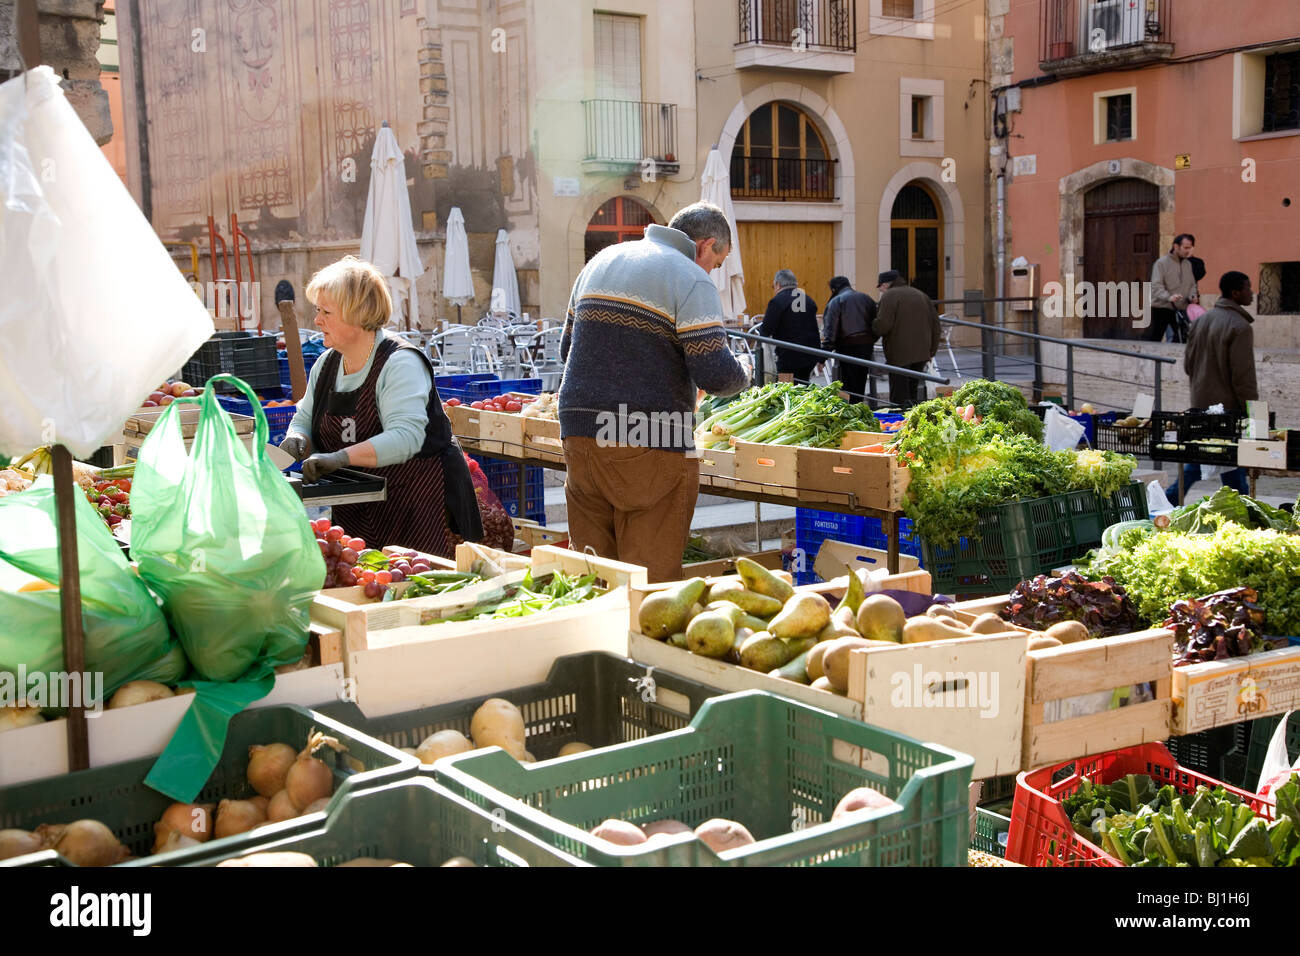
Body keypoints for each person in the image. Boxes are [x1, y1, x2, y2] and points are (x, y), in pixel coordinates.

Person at [558, 201, 749, 583]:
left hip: (578, 431)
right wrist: (746, 369)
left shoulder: (601, 260)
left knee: (595, 575)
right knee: (650, 580)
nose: (714, 269)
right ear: (706, 245)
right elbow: (714, 373)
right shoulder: (690, 277)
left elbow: (568, 351)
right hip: (647, 436)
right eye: (719, 260)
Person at [280, 256, 481, 558]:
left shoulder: (400, 363)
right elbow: (304, 417)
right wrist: (297, 438)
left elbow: (406, 437)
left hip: (416, 509)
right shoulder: (327, 364)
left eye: (325, 312)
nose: (317, 320)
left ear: (356, 314)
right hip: (356, 510)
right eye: (317, 311)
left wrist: (340, 457)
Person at [1165, 270, 1257, 501]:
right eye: (1248, 288)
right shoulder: (1240, 327)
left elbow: (1188, 365)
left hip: (1200, 404)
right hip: (1227, 409)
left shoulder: (1201, 320)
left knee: (1204, 458)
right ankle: (1244, 507)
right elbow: (1243, 376)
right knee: (1228, 460)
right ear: (1236, 293)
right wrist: (1252, 410)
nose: (1252, 293)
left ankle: (1171, 498)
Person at [872, 270, 941, 409]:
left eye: (880, 287)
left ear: (885, 284)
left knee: (899, 393)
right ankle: (914, 419)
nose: (880, 290)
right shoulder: (921, 294)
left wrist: (872, 326)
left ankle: (900, 421)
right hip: (922, 352)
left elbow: (883, 326)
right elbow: (936, 324)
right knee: (914, 389)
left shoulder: (889, 296)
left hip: (899, 353)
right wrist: (931, 350)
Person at [821, 276, 878, 402]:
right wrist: (871, 339)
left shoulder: (836, 301)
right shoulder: (866, 298)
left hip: (846, 346)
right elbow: (876, 324)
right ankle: (858, 407)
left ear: (834, 289)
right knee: (860, 381)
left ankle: (849, 411)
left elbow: (830, 331)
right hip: (866, 345)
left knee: (847, 383)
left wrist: (822, 356)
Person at [759, 269, 821, 384]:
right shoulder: (806, 298)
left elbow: (767, 329)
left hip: (788, 356)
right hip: (810, 354)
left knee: (786, 389)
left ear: (777, 284)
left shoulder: (778, 301)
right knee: (803, 387)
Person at [1148, 234, 1199, 343]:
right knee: (1155, 338)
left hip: (1181, 308)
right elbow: (1156, 286)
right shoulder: (1161, 263)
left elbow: (1192, 285)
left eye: (1190, 248)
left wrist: (1193, 296)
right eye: (1186, 248)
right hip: (1162, 307)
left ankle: (1179, 359)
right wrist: (1169, 297)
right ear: (1176, 246)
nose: (1188, 251)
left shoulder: (1188, 264)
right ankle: (1149, 359)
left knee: (1184, 337)